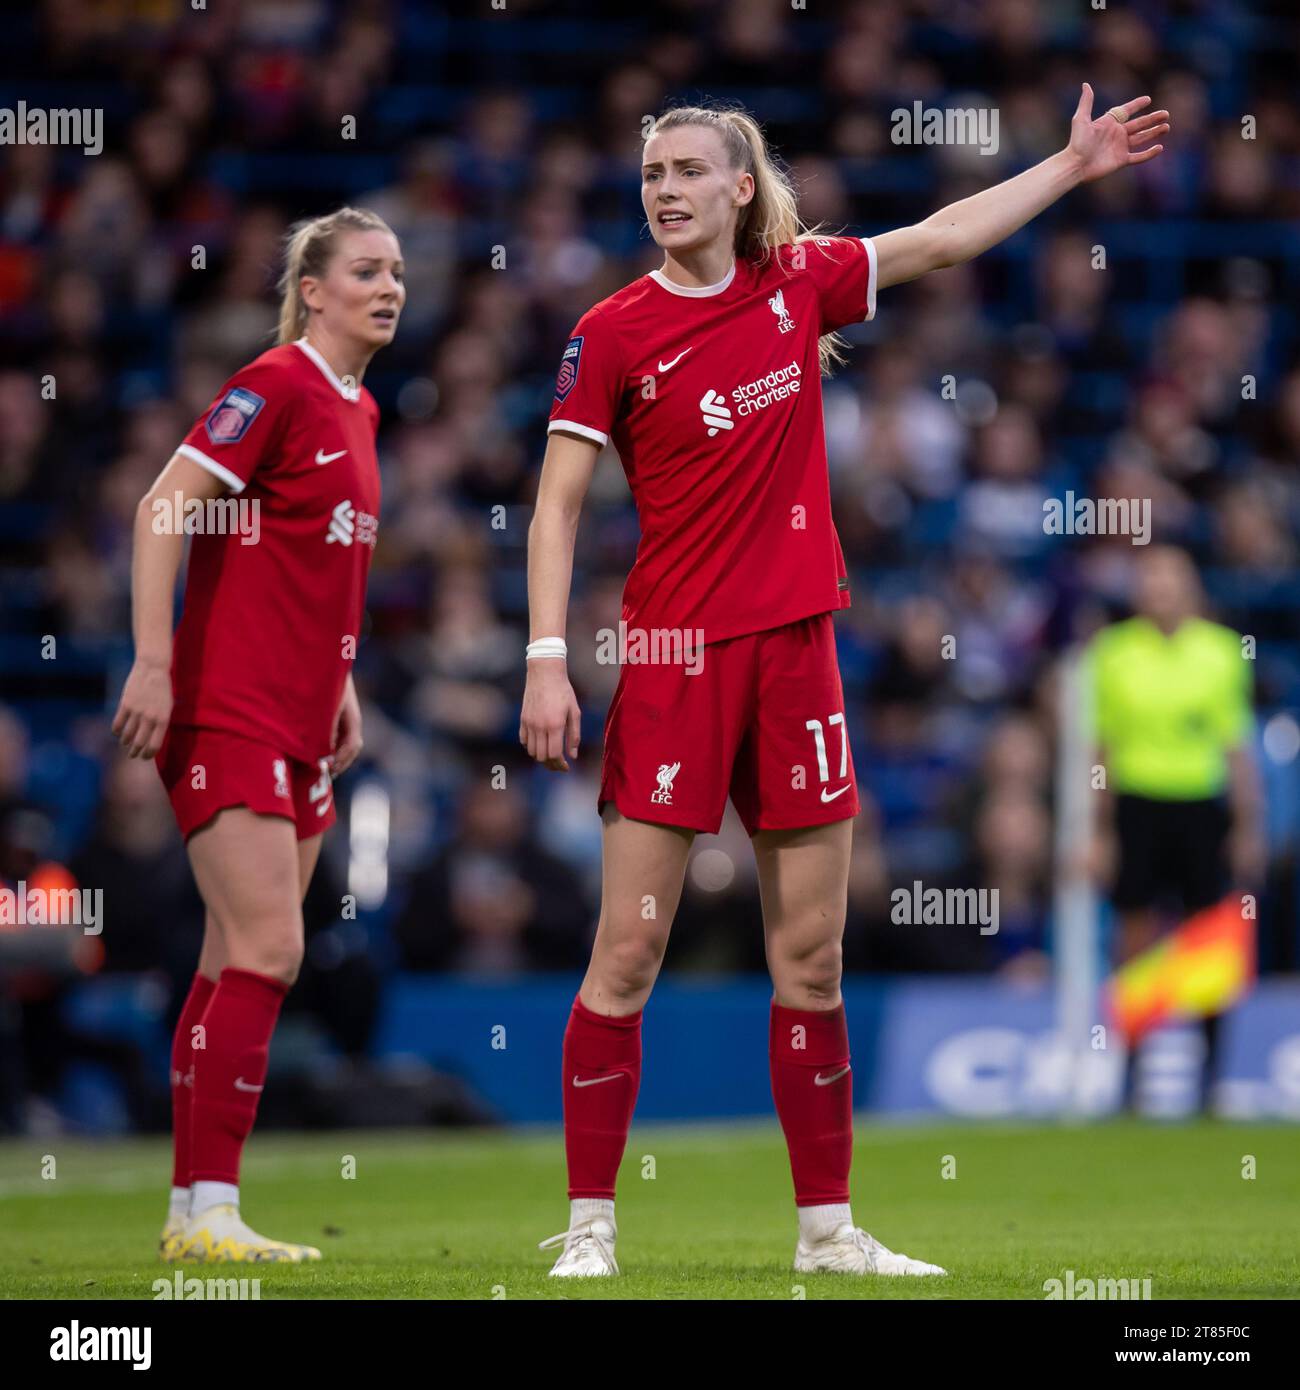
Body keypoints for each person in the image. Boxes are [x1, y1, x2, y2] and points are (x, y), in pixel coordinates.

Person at [521, 89, 1169, 1278]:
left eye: (687, 170)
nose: (664, 189)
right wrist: (547, 657)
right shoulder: (611, 332)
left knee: (811, 962)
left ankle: (826, 1232)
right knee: (626, 955)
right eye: (652, 172)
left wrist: (1068, 167)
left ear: (739, 188)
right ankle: (590, 1227)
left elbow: (943, 237)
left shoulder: (799, 282)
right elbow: (557, 504)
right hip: (673, 661)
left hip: (797, 654)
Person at [111, 206, 404, 1262]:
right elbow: (162, 508)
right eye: (365, 271)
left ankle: (190, 1214)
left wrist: (342, 679)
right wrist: (154, 660)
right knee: (272, 950)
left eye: (397, 272)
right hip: (228, 709)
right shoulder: (275, 384)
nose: (389, 287)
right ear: (312, 291)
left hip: (300, 719)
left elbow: (314, 564)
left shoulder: (360, 408)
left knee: (230, 960)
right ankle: (215, 1209)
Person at [1087, 546, 1261, 1111]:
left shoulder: (1221, 651)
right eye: (1151, 579)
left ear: (1191, 588)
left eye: (1171, 578)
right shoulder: (1113, 653)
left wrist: (1247, 826)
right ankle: (1131, 1073)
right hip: (1137, 805)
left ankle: (1210, 1076)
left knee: (1208, 942)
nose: (1160, 589)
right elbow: (1102, 748)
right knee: (1134, 939)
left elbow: (1236, 746)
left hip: (1201, 806)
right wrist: (1099, 831)